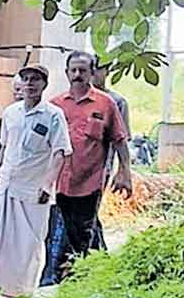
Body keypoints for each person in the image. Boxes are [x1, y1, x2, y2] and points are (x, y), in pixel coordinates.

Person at [0, 64, 71, 298]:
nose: (30, 84)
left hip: (33, 192)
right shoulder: (11, 112)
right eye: (26, 79)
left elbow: (59, 153)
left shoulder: (53, 115)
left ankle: (24, 296)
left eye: (35, 80)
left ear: (44, 84)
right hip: (6, 187)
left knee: (27, 248)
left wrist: (47, 185)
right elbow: (3, 146)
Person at [46, 51, 131, 281]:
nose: (77, 75)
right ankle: (70, 276)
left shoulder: (106, 104)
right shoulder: (55, 106)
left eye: (82, 70)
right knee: (61, 230)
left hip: (90, 182)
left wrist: (125, 173)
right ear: (66, 73)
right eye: (73, 70)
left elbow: (120, 140)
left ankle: (80, 279)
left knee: (84, 231)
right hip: (60, 181)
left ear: (92, 73)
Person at [89, 62, 131, 251]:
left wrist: (124, 171)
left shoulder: (116, 102)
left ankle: (96, 256)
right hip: (72, 169)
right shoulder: (70, 100)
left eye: (100, 69)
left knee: (89, 211)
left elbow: (121, 140)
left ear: (107, 71)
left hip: (100, 168)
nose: (95, 74)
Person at [0, 74, 25, 189]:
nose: (20, 94)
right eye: (17, 89)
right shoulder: (8, 114)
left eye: (23, 90)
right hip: (5, 172)